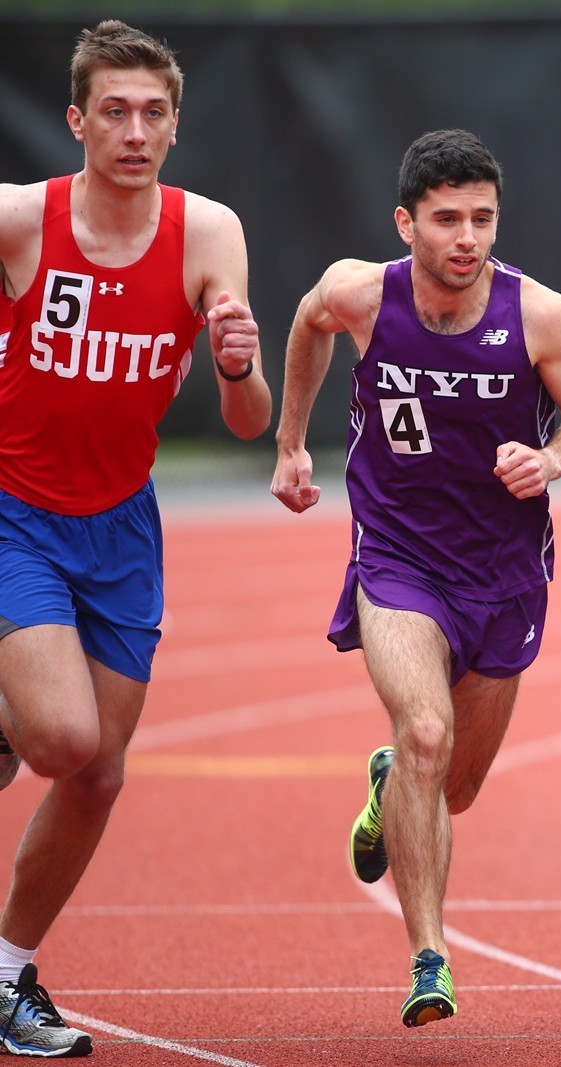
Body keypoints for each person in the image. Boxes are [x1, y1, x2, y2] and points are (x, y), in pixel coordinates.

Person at [270, 128, 561, 1029]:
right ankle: (430, 956)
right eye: (448, 219)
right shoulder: (361, 296)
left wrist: (551, 460)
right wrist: (293, 440)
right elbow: (306, 323)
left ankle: (389, 789)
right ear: (406, 222)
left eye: (483, 218)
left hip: (504, 571)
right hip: (397, 555)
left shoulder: (540, 315)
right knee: (425, 730)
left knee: (452, 786)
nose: (468, 237)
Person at [0, 21, 271, 1057]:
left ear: (174, 125)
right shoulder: (24, 220)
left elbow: (245, 426)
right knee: (62, 736)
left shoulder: (208, 234)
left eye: (154, 112)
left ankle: (9, 971)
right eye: (113, 109)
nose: (134, 129)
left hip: (121, 524)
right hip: (15, 507)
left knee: (100, 771)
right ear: (76, 120)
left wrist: (238, 365)